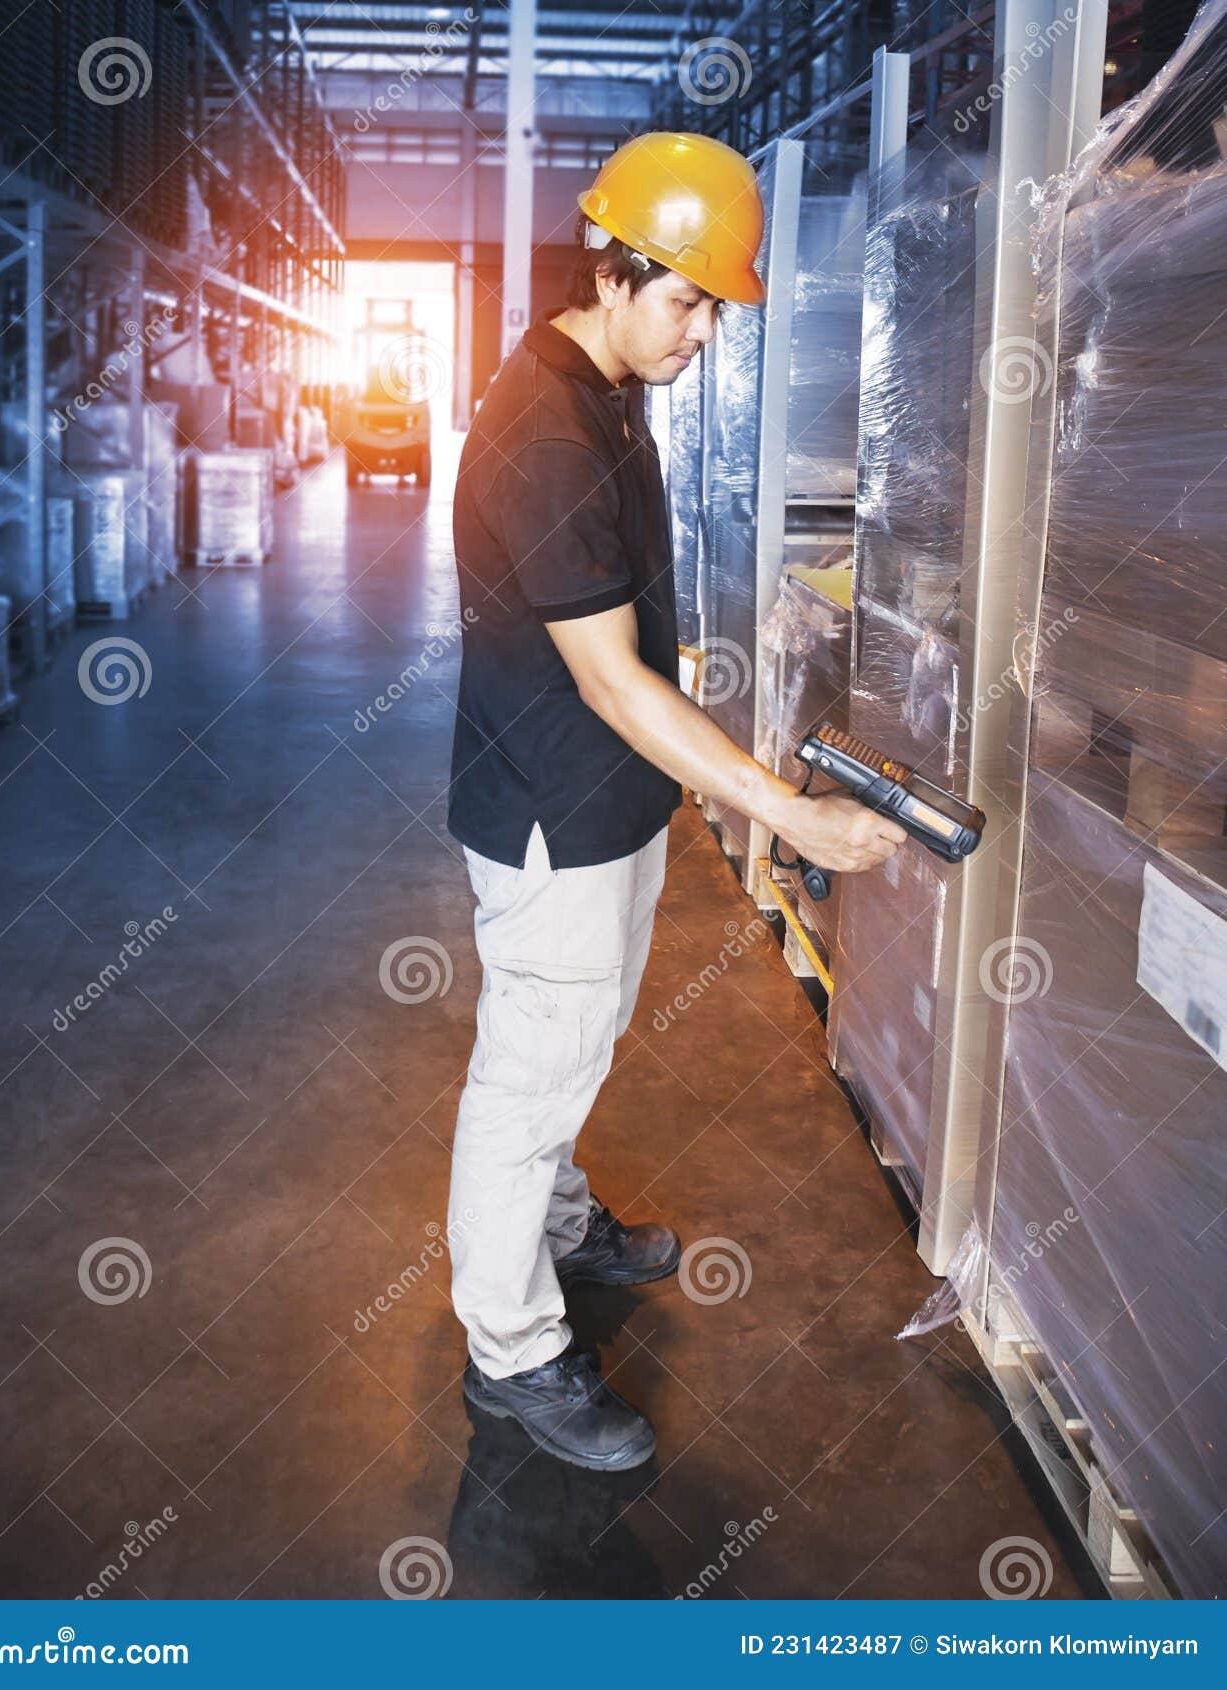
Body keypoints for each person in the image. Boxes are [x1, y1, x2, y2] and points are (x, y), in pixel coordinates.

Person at [445, 131, 906, 1471]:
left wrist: (669, 649)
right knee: (528, 1072)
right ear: (611, 272)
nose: (703, 331)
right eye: (689, 299)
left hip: (610, 799)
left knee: (575, 1042)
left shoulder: (599, 383)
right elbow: (599, 682)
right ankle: (510, 1348)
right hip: (555, 805)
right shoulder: (542, 431)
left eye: (712, 304)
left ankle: (562, 1220)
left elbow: (612, 628)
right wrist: (786, 811)